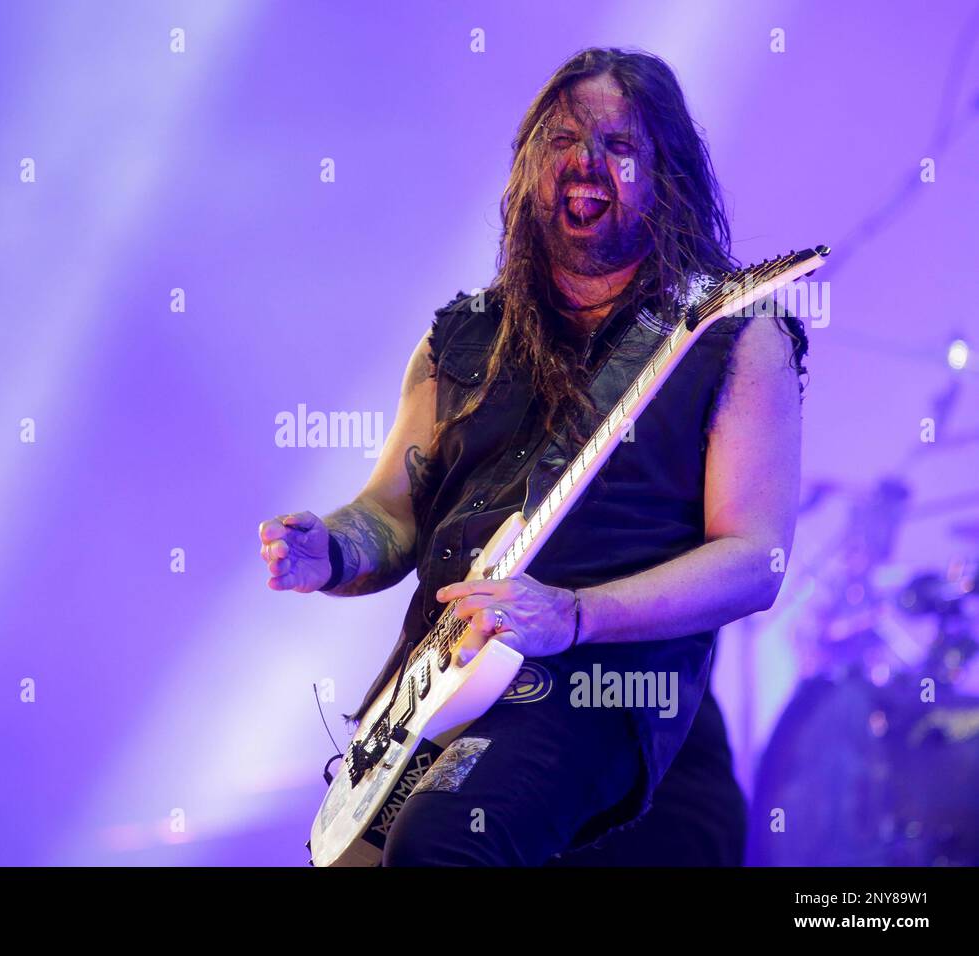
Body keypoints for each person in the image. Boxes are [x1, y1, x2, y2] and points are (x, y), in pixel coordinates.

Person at [259, 47, 807, 866]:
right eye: (563, 137)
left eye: (621, 146)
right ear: (526, 166)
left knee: (444, 842)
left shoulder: (728, 338)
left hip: (589, 686)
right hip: (433, 687)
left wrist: (576, 614)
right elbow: (391, 511)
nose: (586, 163)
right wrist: (332, 549)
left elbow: (753, 561)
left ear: (670, 177)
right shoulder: (462, 338)